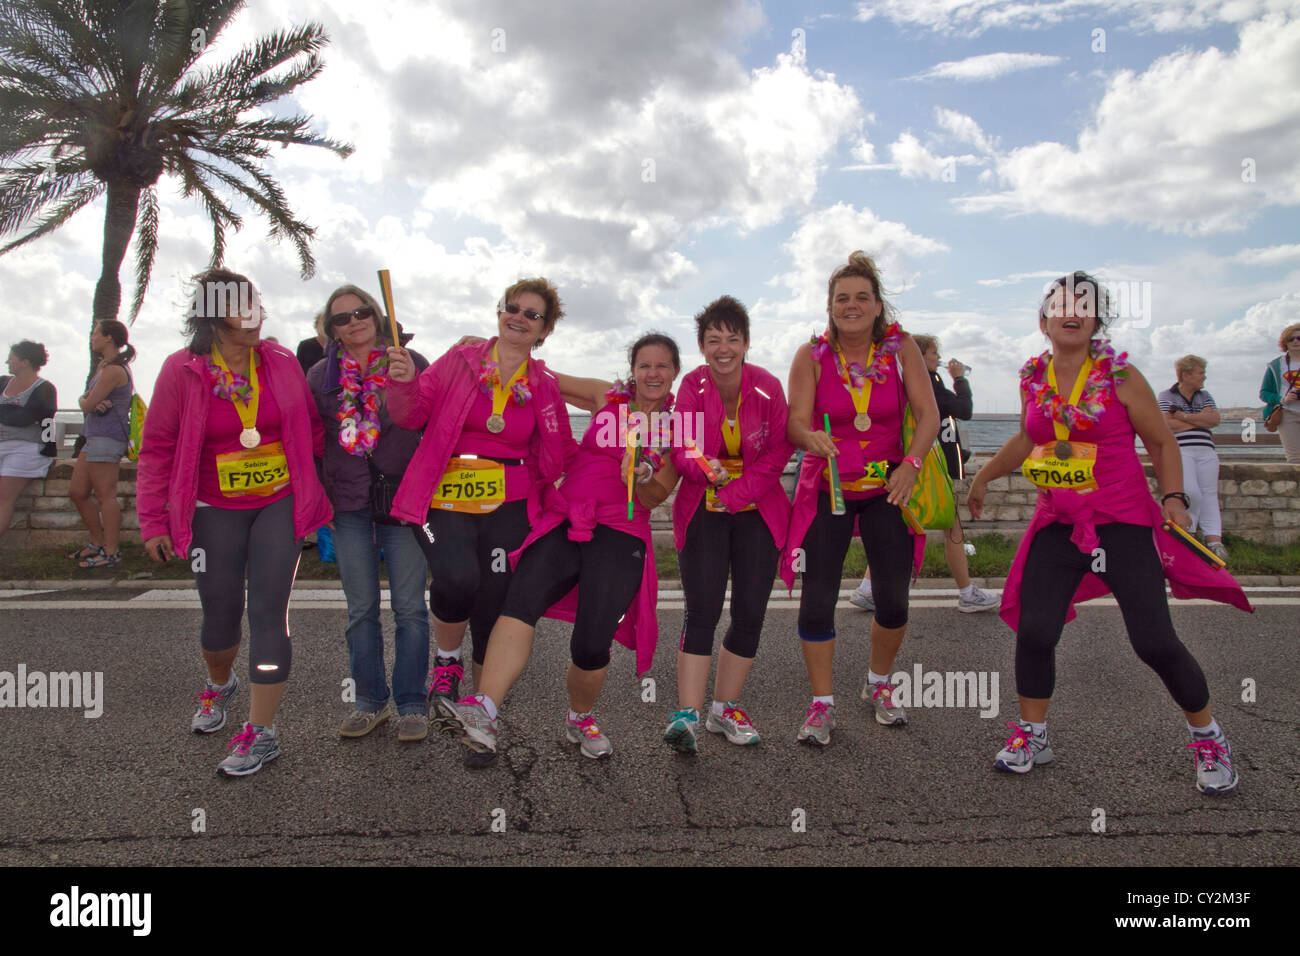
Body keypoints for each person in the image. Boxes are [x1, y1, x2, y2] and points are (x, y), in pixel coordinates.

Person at [968, 272, 1251, 794]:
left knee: (1154, 642)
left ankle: (1209, 736)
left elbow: (1163, 444)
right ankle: (1034, 735)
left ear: (1098, 320)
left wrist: (1173, 500)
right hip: (1058, 522)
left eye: (1084, 304)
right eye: (1060, 304)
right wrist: (984, 474)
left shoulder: (1121, 377)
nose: (1071, 311)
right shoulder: (1033, 376)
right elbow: (1028, 437)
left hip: (1121, 524)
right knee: (1035, 632)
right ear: (1044, 319)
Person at [444, 334, 682, 764]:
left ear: (674, 373)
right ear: (632, 370)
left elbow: (657, 495)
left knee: (592, 642)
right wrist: (492, 347)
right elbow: (539, 375)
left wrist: (643, 473)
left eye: (662, 366)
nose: (652, 373)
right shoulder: (603, 396)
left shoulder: (677, 427)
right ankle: (485, 711)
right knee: (520, 602)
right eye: (644, 365)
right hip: (568, 516)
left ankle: (580, 716)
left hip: (622, 532)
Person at [136, 268, 332, 777]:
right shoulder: (181, 370)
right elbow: (156, 449)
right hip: (212, 505)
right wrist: (153, 521)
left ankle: (262, 732)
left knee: (269, 610)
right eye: (239, 308)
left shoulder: (282, 361)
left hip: (278, 502)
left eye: (256, 305)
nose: (254, 316)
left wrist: (309, 490)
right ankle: (220, 683)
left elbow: (310, 428)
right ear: (212, 316)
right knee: (220, 614)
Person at [383, 279, 573, 733]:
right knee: (457, 575)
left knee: (494, 599)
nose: (519, 318)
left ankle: (480, 710)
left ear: (544, 331)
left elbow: (563, 449)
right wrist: (403, 382)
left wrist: (620, 451)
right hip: (444, 496)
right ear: (499, 312)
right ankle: (447, 659)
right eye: (513, 308)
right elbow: (410, 415)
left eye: (532, 314)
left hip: (509, 503)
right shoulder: (460, 360)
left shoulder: (542, 384)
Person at [781, 251, 939, 746]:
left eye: (861, 298)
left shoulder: (901, 349)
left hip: (887, 489)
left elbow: (929, 415)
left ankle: (878, 684)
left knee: (893, 601)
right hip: (828, 488)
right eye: (842, 298)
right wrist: (811, 440)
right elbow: (794, 423)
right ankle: (822, 704)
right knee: (817, 602)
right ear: (830, 307)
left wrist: (911, 465)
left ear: (877, 306)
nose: (851, 306)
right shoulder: (810, 356)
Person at [661, 297, 793, 753]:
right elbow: (682, 449)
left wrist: (737, 492)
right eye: (713, 340)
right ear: (701, 346)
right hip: (703, 511)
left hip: (759, 512)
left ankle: (726, 708)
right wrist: (706, 470)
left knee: (749, 613)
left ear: (747, 343)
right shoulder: (691, 389)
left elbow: (779, 452)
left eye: (732, 339)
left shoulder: (769, 386)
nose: (723, 348)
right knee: (701, 611)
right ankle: (688, 714)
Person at [307, 285, 430, 742]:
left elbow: (433, 418)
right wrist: (321, 496)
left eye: (361, 312)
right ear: (331, 328)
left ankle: (414, 704)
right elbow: (311, 442)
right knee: (361, 611)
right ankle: (369, 702)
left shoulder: (409, 362)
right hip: (350, 504)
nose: (353, 321)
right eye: (342, 318)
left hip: (403, 501)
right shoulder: (322, 375)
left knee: (411, 609)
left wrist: (407, 382)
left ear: (377, 316)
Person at [849, 334, 997, 613]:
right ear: (918, 356)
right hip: (924, 469)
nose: (938, 359)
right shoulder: (929, 384)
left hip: (907, 465)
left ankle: (867, 588)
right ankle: (966, 593)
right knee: (948, 526)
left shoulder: (902, 382)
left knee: (901, 521)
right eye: (933, 354)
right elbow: (964, 410)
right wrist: (959, 378)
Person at [67, 321, 136, 569]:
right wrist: (92, 401)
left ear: (108, 338)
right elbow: (91, 403)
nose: (92, 338)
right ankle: (97, 543)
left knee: (106, 495)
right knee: (77, 491)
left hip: (108, 438)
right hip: (93, 436)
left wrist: (87, 400)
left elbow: (86, 404)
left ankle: (111, 551)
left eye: (95, 333)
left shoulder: (114, 370)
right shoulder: (103, 367)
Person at [1158, 355, 1226, 561]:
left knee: (1209, 495)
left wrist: (1184, 417)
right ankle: (1189, 536)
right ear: (1186, 375)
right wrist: (1200, 420)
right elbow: (1166, 425)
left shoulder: (1204, 396)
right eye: (1200, 373)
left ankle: (1215, 541)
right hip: (1181, 450)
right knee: (1191, 493)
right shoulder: (1167, 396)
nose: (1203, 378)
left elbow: (1214, 420)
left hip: (1206, 450)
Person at [0, 341, 57, 544]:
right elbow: (21, 415)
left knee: (3, 497)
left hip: (25, 448)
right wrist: (14, 413)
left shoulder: (45, 389)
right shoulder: (3, 383)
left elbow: (33, 419)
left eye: (12, 357)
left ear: (24, 362)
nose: (8, 361)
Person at [1260, 322, 1300, 464]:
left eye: (1299, 338)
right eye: (1291, 339)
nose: (1296, 341)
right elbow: (1264, 393)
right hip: (1287, 414)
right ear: (1285, 343)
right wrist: (1282, 399)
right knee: (1295, 459)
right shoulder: (1276, 365)